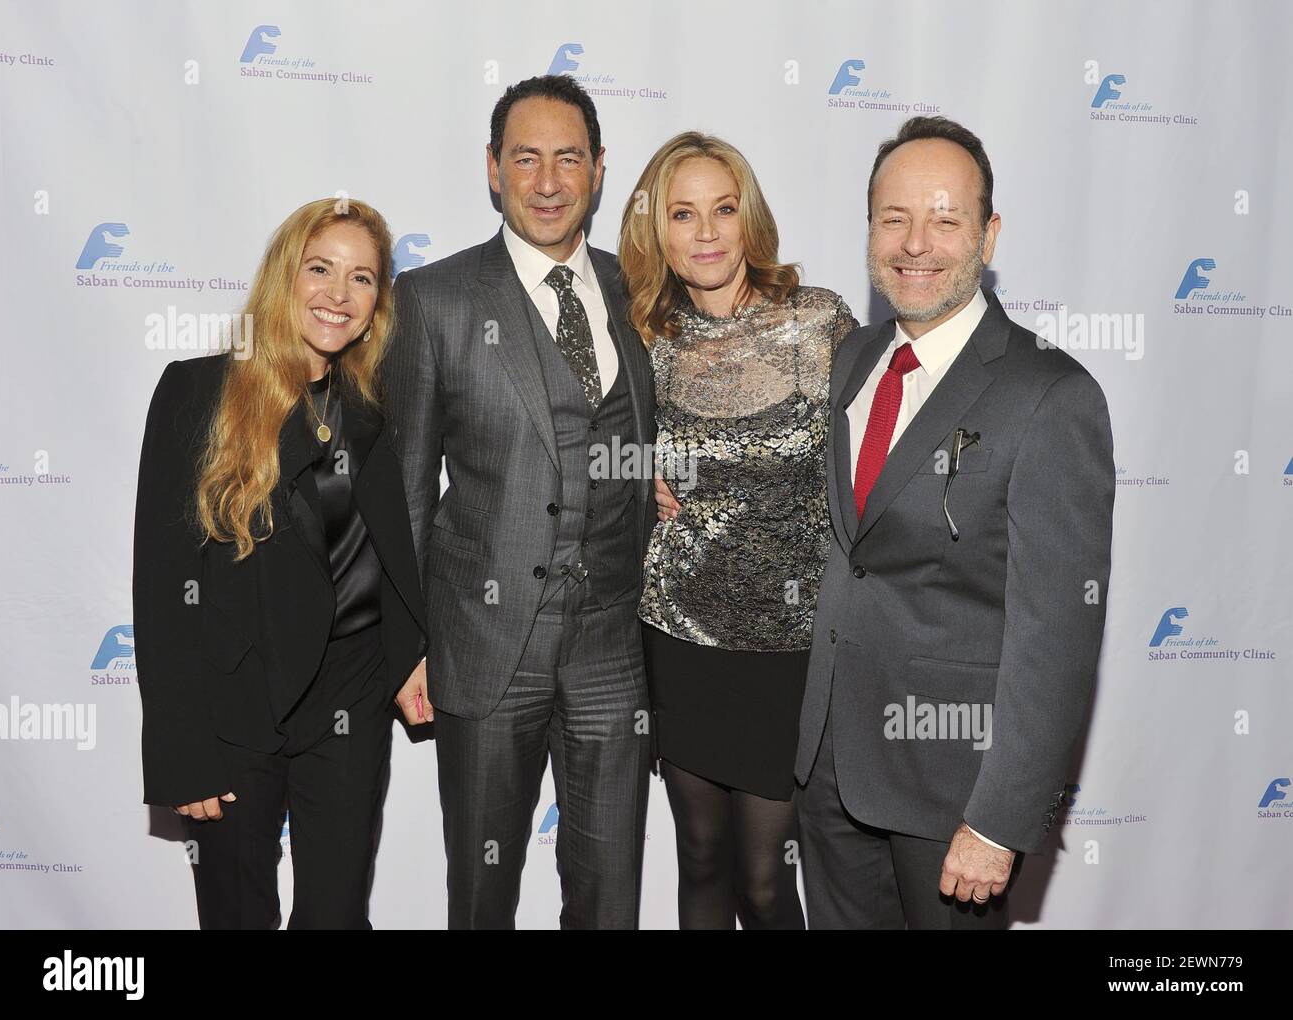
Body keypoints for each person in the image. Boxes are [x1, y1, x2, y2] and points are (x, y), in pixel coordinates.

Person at [792, 116, 1115, 929]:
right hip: (829, 772)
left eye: (945, 219)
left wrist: (1000, 820)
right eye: (893, 218)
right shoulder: (853, 360)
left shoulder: (1051, 395)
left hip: (952, 795)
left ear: (989, 234)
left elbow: (1057, 636)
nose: (915, 244)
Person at [383, 75, 656, 929]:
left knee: (611, 898)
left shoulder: (642, 292)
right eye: (525, 158)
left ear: (600, 169)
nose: (547, 181)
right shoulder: (435, 300)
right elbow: (405, 488)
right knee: (481, 897)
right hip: (485, 641)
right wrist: (409, 642)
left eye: (567, 157)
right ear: (493, 170)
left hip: (613, 639)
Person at [133, 198, 430, 929]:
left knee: (335, 914)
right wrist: (180, 751)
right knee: (237, 911)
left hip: (349, 697)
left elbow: (385, 551)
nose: (338, 293)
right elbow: (163, 585)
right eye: (320, 268)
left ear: (377, 302)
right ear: (283, 276)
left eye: (362, 278)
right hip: (236, 703)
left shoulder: (372, 407)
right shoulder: (198, 392)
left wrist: (411, 653)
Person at [622, 132, 856, 928]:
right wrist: (634, 478)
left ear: (749, 217)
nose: (708, 232)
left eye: (723, 209)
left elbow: (878, 464)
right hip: (680, 632)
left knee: (765, 882)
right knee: (702, 863)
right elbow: (587, 451)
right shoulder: (646, 340)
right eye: (683, 215)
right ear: (659, 232)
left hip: (790, 646)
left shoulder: (820, 323)